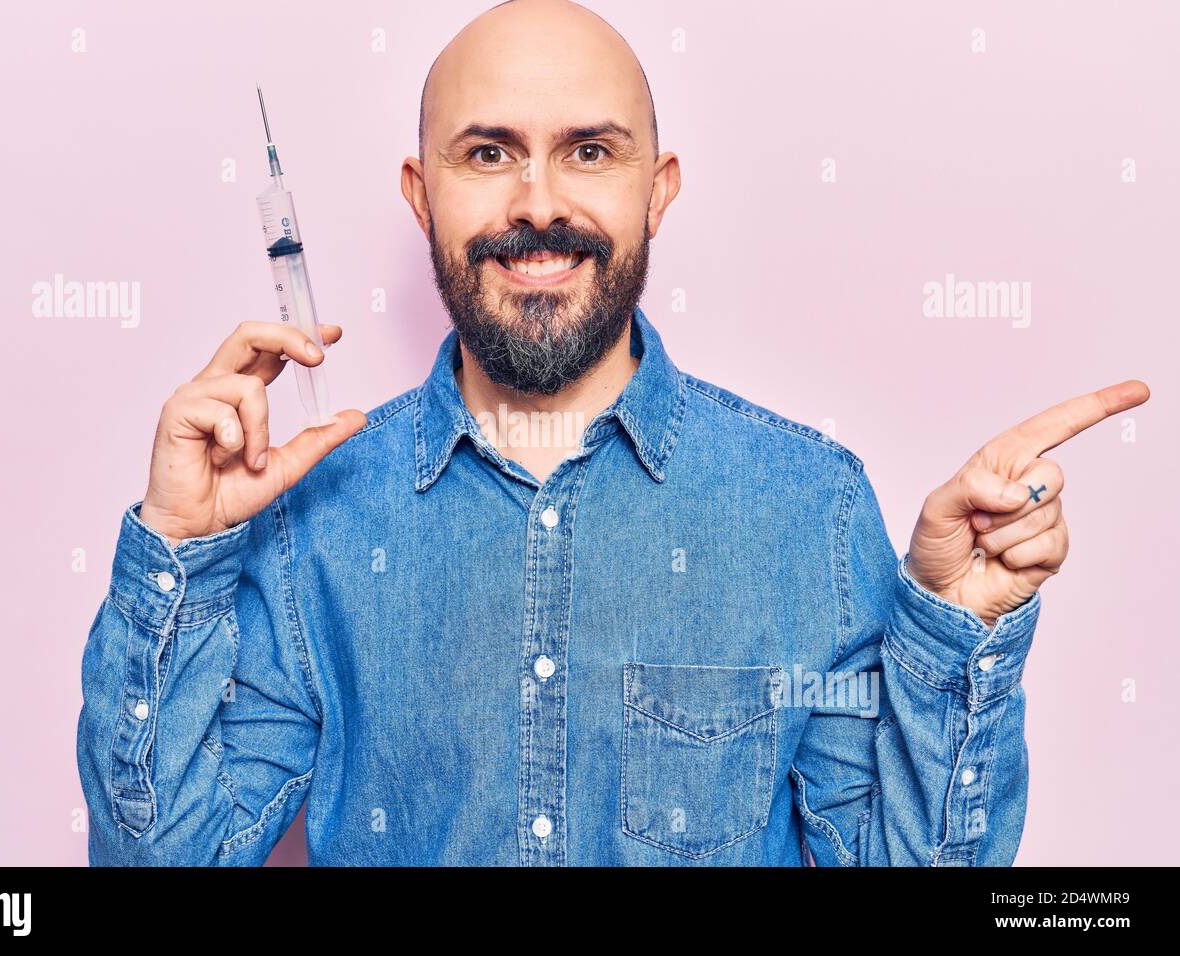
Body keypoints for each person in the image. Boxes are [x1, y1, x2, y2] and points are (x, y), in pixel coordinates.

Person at [76, 0, 1148, 865]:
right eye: (488, 153)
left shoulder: (802, 505)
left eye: (588, 150)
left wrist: (949, 631)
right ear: (421, 195)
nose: (538, 203)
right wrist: (176, 550)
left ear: (657, 189)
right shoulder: (312, 511)